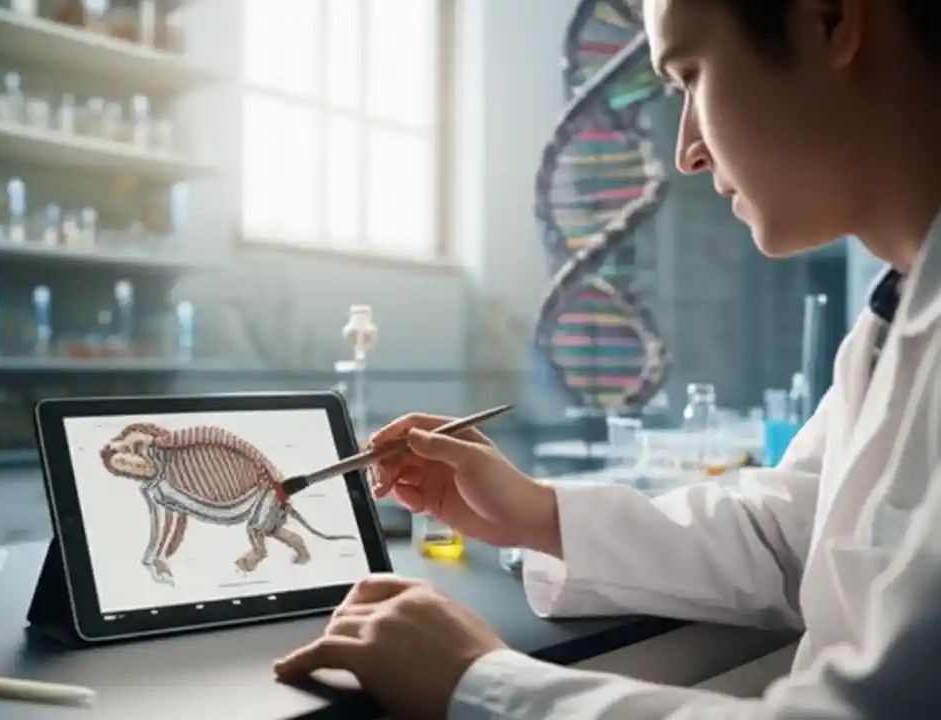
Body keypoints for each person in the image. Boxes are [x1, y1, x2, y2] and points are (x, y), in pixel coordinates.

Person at [271, 0, 941, 717]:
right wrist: (536, 513)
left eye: (690, 75)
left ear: (832, 20)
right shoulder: (891, 323)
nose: (688, 149)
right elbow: (792, 538)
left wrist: (477, 681)